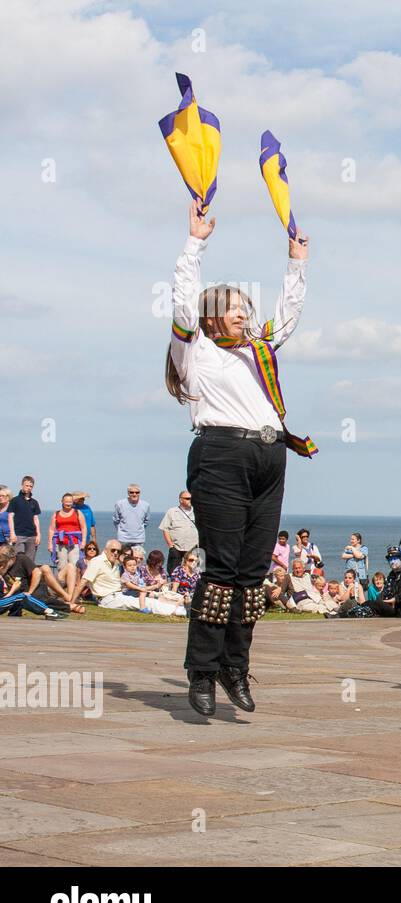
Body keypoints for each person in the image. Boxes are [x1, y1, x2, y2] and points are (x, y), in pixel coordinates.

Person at [166, 197, 311, 715]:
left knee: (252, 572)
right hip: (221, 455)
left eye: (247, 308)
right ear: (211, 318)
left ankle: (234, 666)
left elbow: (287, 318)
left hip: (271, 457)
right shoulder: (197, 352)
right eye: (235, 307)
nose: (245, 314)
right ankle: (202, 672)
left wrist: (296, 261)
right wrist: (196, 241)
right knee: (222, 567)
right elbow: (183, 302)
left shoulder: (259, 351)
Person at [0, 544, 70, 619]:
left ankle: (14, 616)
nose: (2, 566)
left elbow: (37, 573)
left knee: (20, 597)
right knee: (22, 596)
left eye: (3, 563)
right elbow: (5, 597)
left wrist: (27, 591)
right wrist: (13, 589)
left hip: (32, 591)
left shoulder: (21, 559)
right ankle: (49, 611)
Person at [47, 492, 87, 596]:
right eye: (66, 501)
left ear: (72, 502)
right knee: (61, 567)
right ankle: (60, 592)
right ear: (62, 501)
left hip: (74, 544)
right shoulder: (56, 514)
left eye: (70, 501)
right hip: (60, 544)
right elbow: (52, 529)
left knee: (73, 567)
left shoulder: (78, 513)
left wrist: (83, 542)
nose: (68, 503)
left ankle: (72, 592)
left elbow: (83, 527)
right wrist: (50, 544)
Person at [159, 490, 199, 573]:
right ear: (181, 500)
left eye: (192, 498)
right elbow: (165, 528)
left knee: (195, 571)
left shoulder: (198, 511)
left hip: (194, 547)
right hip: (177, 548)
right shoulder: (172, 512)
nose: (190, 500)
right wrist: (170, 545)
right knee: (174, 572)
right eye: (187, 498)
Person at [7, 476, 41, 559]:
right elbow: (10, 517)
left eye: (31, 486)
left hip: (32, 535)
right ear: (22, 485)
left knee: (30, 560)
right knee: (19, 558)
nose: (29, 488)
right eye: (27, 485)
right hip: (18, 534)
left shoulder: (34, 502)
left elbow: (36, 519)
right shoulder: (15, 500)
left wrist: (38, 534)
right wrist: (12, 533)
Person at [113, 485, 150, 556]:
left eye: (137, 492)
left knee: (137, 561)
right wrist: (122, 531)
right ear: (128, 493)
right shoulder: (119, 504)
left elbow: (146, 521)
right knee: (122, 561)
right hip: (123, 540)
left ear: (140, 493)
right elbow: (116, 520)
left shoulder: (146, 505)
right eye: (131, 492)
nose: (134, 494)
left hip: (138, 540)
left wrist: (138, 530)